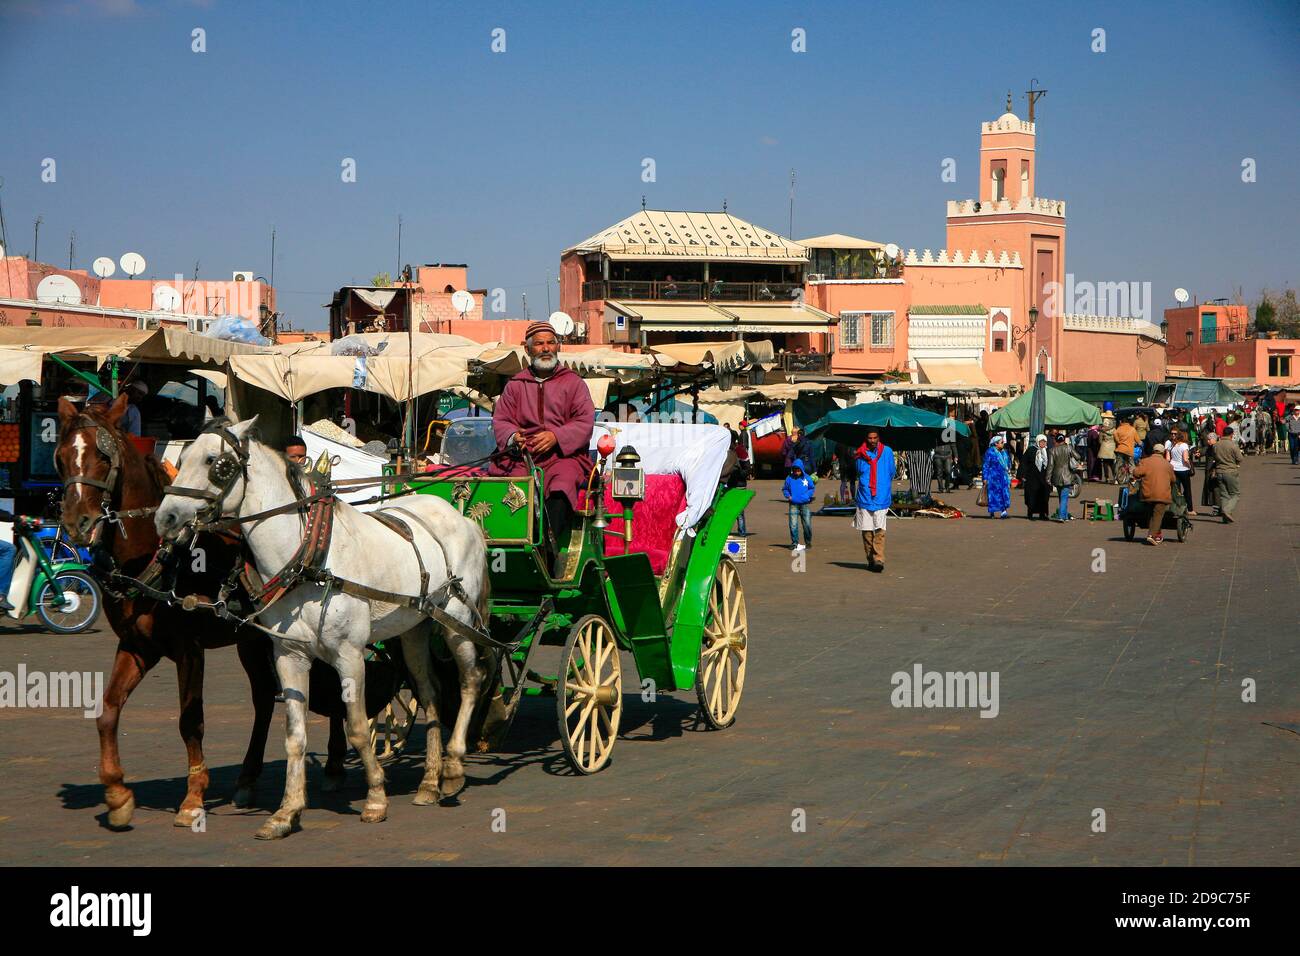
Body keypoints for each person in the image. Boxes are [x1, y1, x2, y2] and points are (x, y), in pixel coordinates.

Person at [490, 322, 596, 561]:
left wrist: (556, 436)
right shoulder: (516, 385)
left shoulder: (574, 383)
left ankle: (549, 551)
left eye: (550, 342)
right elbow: (501, 420)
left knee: (563, 484)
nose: (546, 348)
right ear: (528, 350)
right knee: (510, 486)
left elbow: (584, 421)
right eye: (539, 344)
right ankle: (511, 548)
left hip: (562, 457)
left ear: (557, 346)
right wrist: (512, 437)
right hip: (522, 458)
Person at [854, 429, 895, 572]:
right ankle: (870, 558)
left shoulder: (887, 451)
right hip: (865, 496)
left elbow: (891, 472)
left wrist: (882, 483)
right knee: (866, 531)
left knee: (880, 530)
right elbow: (858, 471)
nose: (872, 440)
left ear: (879, 438)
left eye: (875, 437)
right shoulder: (860, 453)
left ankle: (878, 559)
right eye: (870, 438)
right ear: (866, 438)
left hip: (881, 495)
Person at [1132, 441, 1175, 545]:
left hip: (1147, 494)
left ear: (1153, 451)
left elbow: (1136, 473)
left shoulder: (1145, 461)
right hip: (1162, 495)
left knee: (1151, 513)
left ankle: (1156, 534)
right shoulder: (1168, 465)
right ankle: (1151, 535)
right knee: (1158, 515)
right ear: (1163, 452)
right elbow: (1173, 479)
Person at [1210, 424, 1244, 523]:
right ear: (1232, 435)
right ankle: (1227, 510)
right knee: (1235, 494)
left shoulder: (1216, 445)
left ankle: (1225, 518)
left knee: (1224, 495)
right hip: (1230, 471)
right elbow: (1240, 458)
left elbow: (1214, 457)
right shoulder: (1233, 445)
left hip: (1219, 471)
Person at [782, 459, 815, 552]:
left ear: (802, 469)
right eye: (795, 470)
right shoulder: (789, 478)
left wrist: (807, 496)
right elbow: (785, 489)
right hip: (793, 504)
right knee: (793, 524)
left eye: (798, 470)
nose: (797, 472)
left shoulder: (807, 478)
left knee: (807, 524)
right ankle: (794, 543)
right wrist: (788, 496)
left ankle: (808, 542)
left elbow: (811, 488)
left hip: (804, 504)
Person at [1016, 433, 1051, 520]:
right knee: (1032, 496)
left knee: (1044, 497)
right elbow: (1024, 463)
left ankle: (1043, 514)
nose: (1043, 444)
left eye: (1044, 442)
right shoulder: (1031, 450)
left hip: (1044, 479)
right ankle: (1030, 513)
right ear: (1037, 442)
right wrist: (1022, 475)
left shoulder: (1048, 451)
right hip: (1032, 478)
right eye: (1041, 442)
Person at [1048, 432, 1082, 521]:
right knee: (1064, 497)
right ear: (1063, 440)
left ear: (1056, 440)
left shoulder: (1052, 450)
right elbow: (1078, 456)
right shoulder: (1068, 448)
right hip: (1067, 475)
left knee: (1061, 497)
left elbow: (1050, 466)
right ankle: (1062, 516)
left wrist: (1048, 478)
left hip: (1056, 476)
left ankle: (1065, 515)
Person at [1166, 428, 1196, 516]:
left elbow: (1168, 459)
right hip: (1183, 469)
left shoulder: (1172, 446)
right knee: (1187, 490)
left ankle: (1177, 508)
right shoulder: (1184, 445)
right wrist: (1190, 466)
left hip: (1174, 469)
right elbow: (1185, 459)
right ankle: (1189, 509)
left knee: (1176, 490)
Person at [981, 433, 1011, 518]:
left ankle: (1004, 511)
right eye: (1001, 442)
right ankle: (992, 512)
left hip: (1003, 477)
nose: (1003, 443)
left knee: (1004, 493)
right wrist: (985, 478)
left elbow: (1008, 463)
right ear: (996, 443)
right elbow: (986, 465)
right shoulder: (990, 452)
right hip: (993, 477)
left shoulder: (1004, 452)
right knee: (994, 495)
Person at [1113, 416, 1137, 484]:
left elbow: (1115, 434)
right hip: (1129, 450)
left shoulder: (1119, 428)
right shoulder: (1132, 429)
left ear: (1122, 422)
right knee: (1131, 463)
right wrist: (1140, 443)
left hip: (1120, 449)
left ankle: (1116, 479)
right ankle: (1132, 477)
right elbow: (1138, 440)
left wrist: (1118, 441)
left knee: (1118, 463)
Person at [1200, 429, 1220, 512]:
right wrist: (1199, 453)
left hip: (1214, 471)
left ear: (1214, 439)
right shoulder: (1209, 447)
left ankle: (1217, 508)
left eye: (1209, 439)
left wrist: (1214, 469)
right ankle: (1215, 507)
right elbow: (1204, 451)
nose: (1207, 441)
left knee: (1215, 490)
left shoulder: (1217, 447)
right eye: (1207, 439)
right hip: (1209, 470)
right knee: (1211, 489)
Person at [1097, 412, 1117, 483]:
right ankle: (1115, 476)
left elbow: (1099, 440)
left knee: (1105, 463)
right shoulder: (1114, 429)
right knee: (1112, 463)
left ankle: (1107, 478)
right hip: (1112, 446)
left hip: (1104, 447)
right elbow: (1116, 439)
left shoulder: (1102, 429)